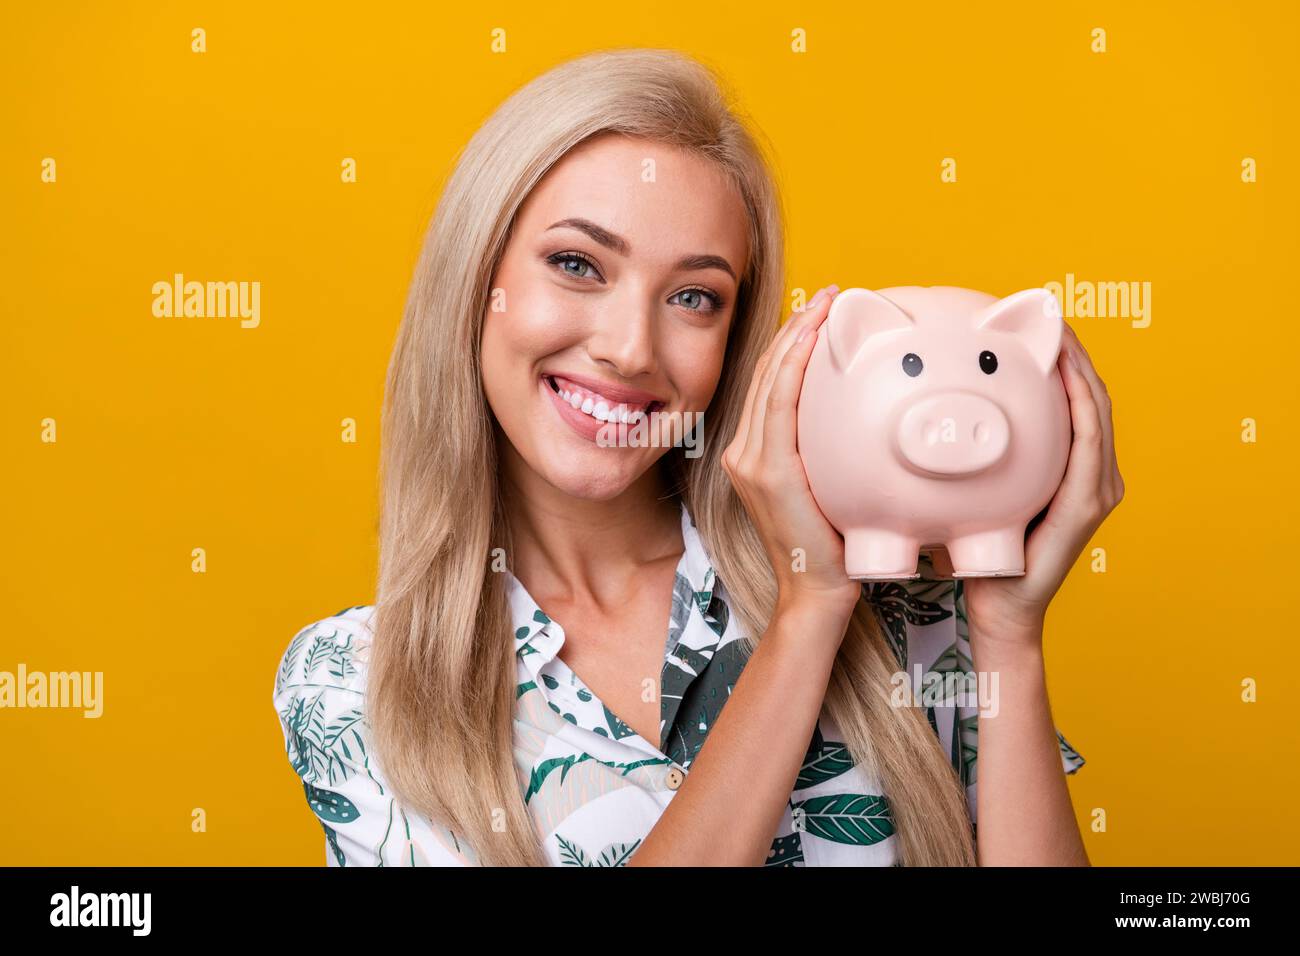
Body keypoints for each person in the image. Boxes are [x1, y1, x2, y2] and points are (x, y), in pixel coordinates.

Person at [272, 47, 1122, 867]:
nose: (631, 349)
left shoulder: (912, 617)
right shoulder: (361, 689)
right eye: (577, 264)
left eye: (693, 297)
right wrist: (806, 616)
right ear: (477, 281)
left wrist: (1008, 634)